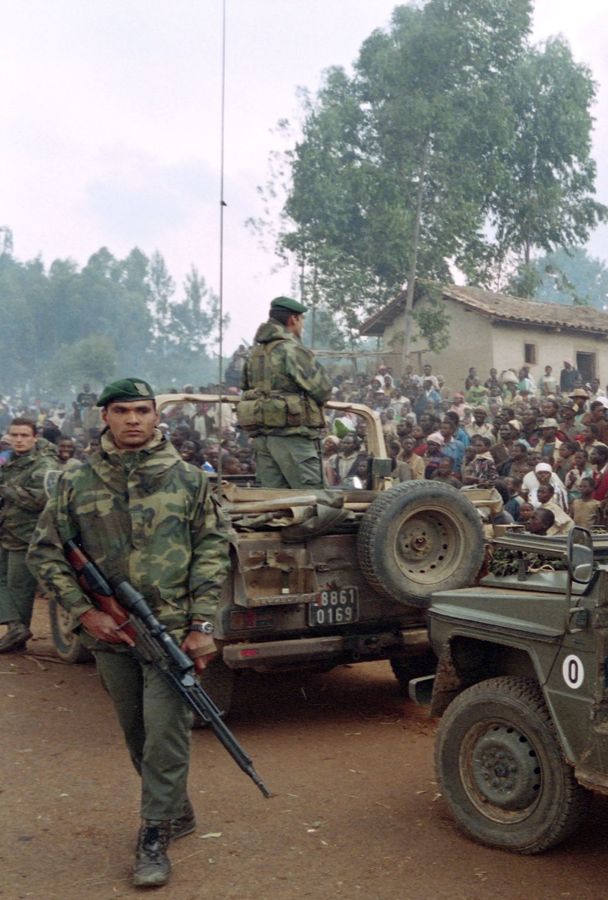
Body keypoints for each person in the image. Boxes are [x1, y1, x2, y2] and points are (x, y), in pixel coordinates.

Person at [28, 378, 231, 888]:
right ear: (106, 418)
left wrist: (203, 624)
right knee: (136, 733)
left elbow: (212, 550)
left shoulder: (188, 480)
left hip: (173, 631)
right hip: (111, 634)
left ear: (157, 417)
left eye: (143, 410)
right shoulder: (75, 481)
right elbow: (45, 551)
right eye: (123, 411)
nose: (134, 419)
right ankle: (176, 811)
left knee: (165, 733)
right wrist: (81, 612)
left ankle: (154, 833)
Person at [237, 296, 332, 488]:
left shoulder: (255, 353)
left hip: (263, 439)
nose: (302, 325)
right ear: (293, 320)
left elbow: (246, 388)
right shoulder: (291, 349)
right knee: (316, 500)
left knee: (275, 503)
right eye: (302, 320)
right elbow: (323, 389)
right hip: (292, 438)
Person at [0, 417, 58, 651]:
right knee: (4, 582)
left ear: (35, 437)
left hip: (27, 536)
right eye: (14, 435)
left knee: (19, 587)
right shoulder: (10, 461)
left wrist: (7, 490)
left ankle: (18, 630)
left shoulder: (43, 465)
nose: (19, 440)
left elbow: (42, 499)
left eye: (24, 435)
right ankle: (16, 627)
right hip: (7, 531)